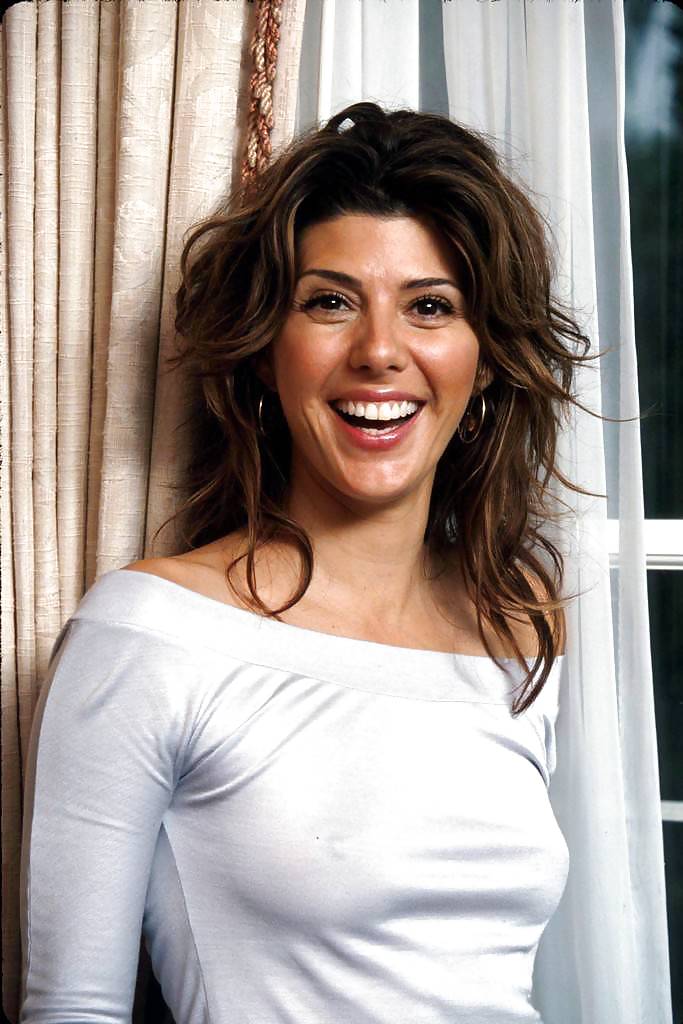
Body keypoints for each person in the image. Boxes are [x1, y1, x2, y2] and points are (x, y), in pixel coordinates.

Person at [19, 102, 594, 1023]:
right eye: (329, 302)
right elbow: (72, 1008)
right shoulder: (151, 633)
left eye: (430, 307)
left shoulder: (517, 618)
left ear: (484, 359)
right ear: (263, 353)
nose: (379, 352)